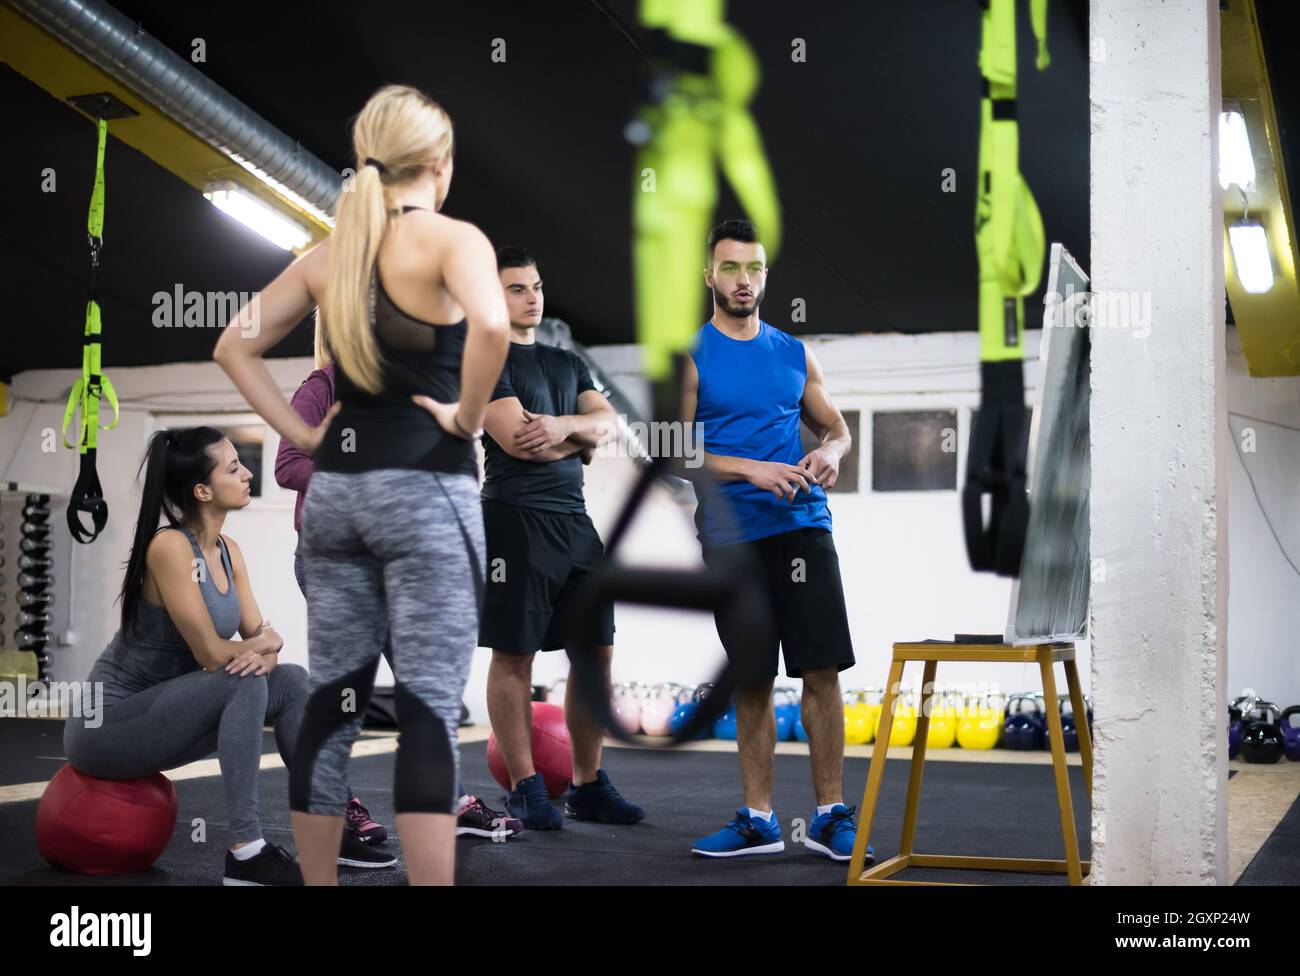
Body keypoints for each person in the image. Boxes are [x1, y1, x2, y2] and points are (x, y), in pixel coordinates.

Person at [215, 84, 510, 885]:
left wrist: (306, 433)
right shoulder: (454, 240)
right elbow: (491, 325)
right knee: (424, 714)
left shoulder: (328, 257)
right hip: (425, 492)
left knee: (334, 708)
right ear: (440, 165)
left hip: (337, 502)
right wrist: (467, 416)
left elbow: (231, 347)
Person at [63, 427, 390, 885]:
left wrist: (267, 650)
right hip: (105, 726)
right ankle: (246, 851)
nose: (246, 474)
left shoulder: (229, 552)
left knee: (294, 681)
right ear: (202, 490)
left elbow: (265, 642)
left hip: (165, 713)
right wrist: (262, 645)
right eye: (233, 468)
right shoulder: (169, 547)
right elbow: (215, 654)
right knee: (243, 678)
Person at [275, 322, 521, 842]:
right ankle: (336, 811)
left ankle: (448, 802)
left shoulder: (415, 389)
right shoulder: (322, 387)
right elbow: (288, 465)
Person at [682, 219, 871, 864]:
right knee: (754, 678)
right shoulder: (688, 355)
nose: (743, 280)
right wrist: (749, 467)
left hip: (803, 527)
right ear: (710, 276)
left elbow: (837, 427)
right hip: (733, 538)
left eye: (754, 268)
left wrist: (834, 450)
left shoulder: (794, 352)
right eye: (730, 268)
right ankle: (759, 820)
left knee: (822, 668)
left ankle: (827, 816)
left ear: (765, 276)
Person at [480, 246, 643, 829]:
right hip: (514, 519)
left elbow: (609, 426)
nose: (533, 297)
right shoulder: (483, 358)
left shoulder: (567, 364)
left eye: (537, 286)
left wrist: (566, 427)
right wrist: (578, 435)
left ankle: (586, 784)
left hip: (574, 521)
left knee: (596, 651)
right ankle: (525, 788)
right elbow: (518, 439)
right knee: (515, 654)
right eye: (517, 288)